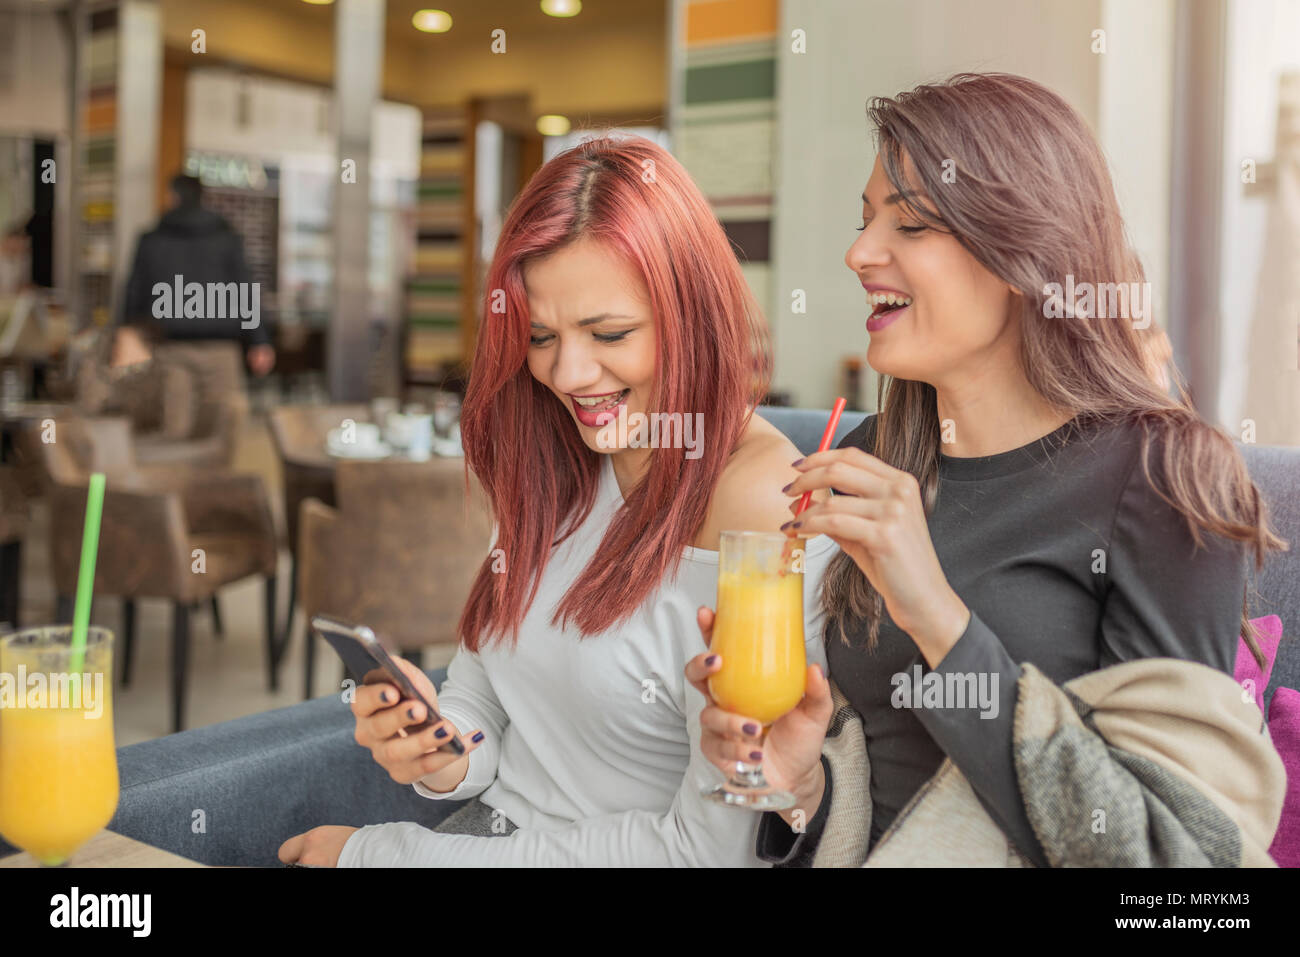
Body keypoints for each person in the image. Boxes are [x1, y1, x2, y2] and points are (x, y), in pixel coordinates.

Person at [688, 73, 1286, 867]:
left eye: (912, 224)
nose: (859, 252)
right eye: (866, 221)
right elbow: (883, 794)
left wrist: (935, 612)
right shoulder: (872, 459)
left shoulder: (1160, 477)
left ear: (1021, 252)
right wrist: (795, 787)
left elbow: (1171, 866)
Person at [278, 136, 838, 867]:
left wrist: (386, 856)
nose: (568, 373)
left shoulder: (768, 504)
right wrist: (440, 744)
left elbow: (707, 850)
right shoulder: (560, 459)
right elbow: (488, 702)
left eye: (610, 333)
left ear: (692, 315)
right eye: (541, 336)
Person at [119, 173, 274, 376]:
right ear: (202, 196)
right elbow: (244, 290)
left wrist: (126, 336)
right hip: (221, 350)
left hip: (167, 348)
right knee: (223, 408)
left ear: (173, 196)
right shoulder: (227, 239)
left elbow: (134, 291)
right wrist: (259, 340)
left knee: (172, 407)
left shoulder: (151, 240)